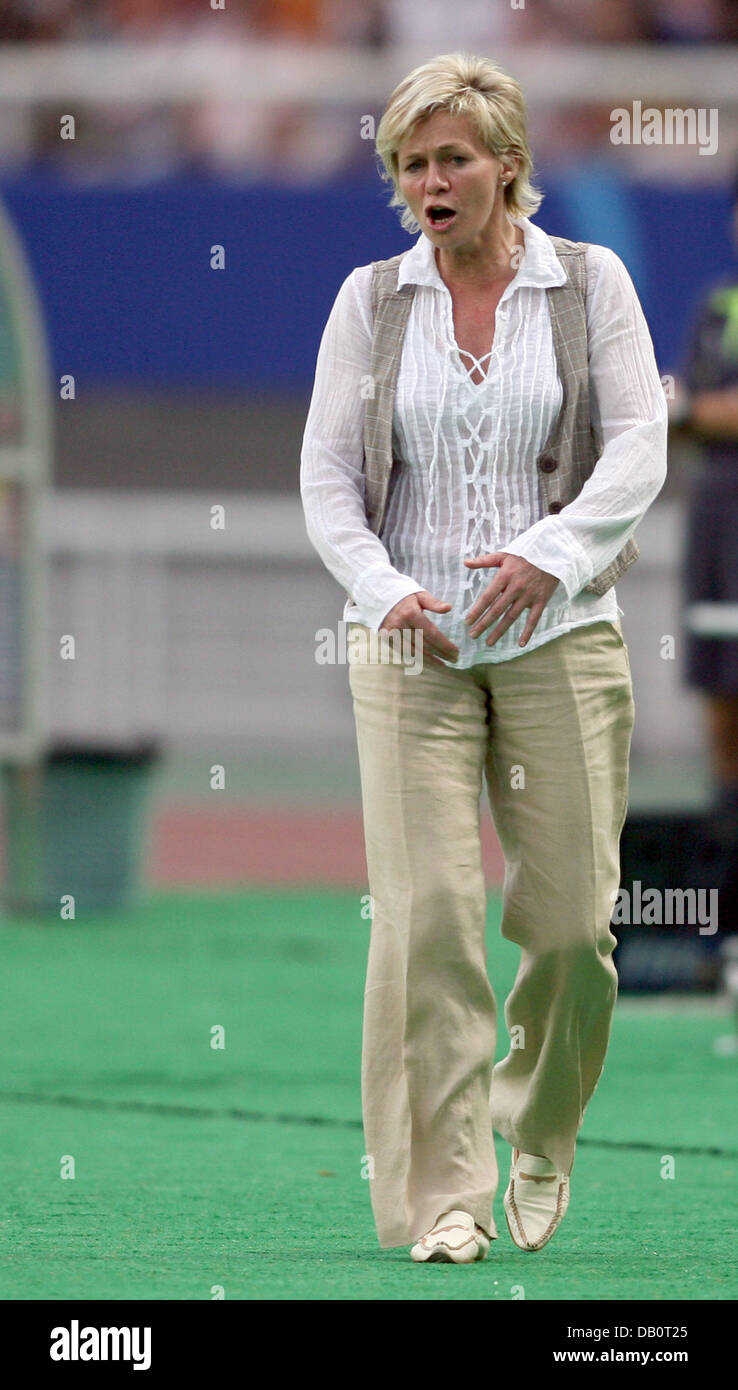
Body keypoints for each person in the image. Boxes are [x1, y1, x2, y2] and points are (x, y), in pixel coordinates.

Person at [300, 51, 667, 1262]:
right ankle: (446, 1197)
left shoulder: (590, 283)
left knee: (570, 927)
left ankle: (541, 1129)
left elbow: (639, 448)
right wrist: (383, 588)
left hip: (562, 632)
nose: (430, 182)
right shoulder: (370, 301)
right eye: (410, 164)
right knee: (428, 920)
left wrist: (551, 555)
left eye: (452, 158)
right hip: (410, 646)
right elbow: (326, 479)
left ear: (509, 164)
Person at [672, 169, 738, 978]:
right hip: (716, 528)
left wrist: (689, 410)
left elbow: (686, 408)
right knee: (722, 709)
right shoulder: (716, 304)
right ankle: (721, 926)